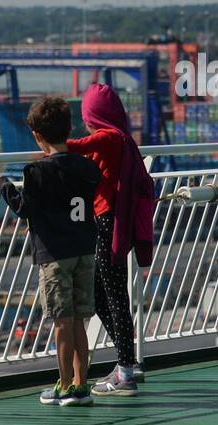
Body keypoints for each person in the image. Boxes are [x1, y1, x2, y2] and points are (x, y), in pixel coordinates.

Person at [0, 96, 102, 406]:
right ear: (68, 129)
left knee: (61, 320)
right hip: (85, 248)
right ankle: (80, 384)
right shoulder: (87, 167)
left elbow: (24, 208)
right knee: (79, 320)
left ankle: (63, 385)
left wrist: (2, 182)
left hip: (55, 253)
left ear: (37, 136)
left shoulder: (35, 172)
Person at [67, 84, 156, 396]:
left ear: (95, 116)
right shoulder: (124, 140)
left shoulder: (108, 138)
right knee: (107, 293)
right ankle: (126, 362)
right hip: (115, 221)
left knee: (112, 295)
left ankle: (125, 370)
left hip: (107, 223)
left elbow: (73, 146)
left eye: (87, 116)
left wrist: (45, 139)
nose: (86, 122)